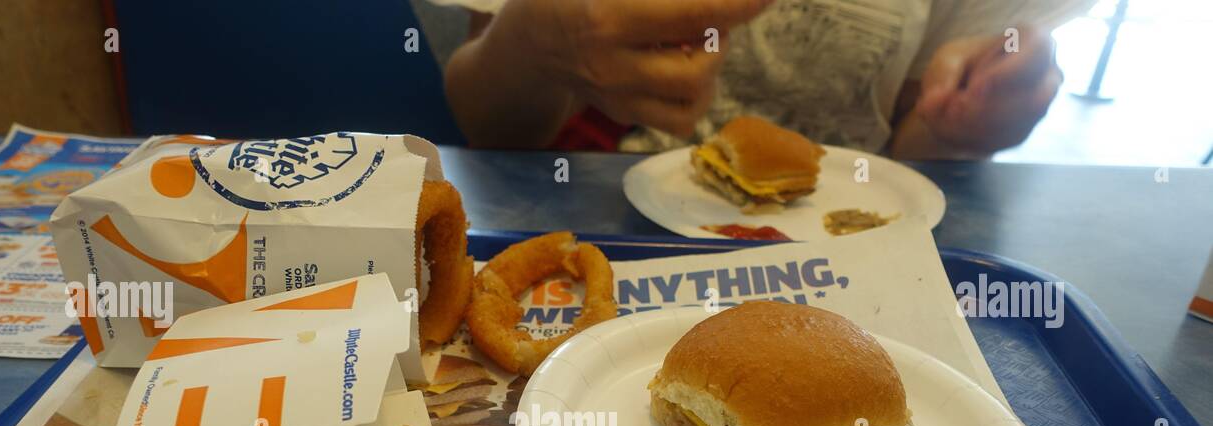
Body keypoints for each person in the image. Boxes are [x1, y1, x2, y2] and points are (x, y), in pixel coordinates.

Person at [436, 0, 1094, 158]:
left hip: (850, 244)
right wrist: (530, 40)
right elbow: (487, 125)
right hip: (579, 199)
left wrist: (972, 121)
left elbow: (913, 147)